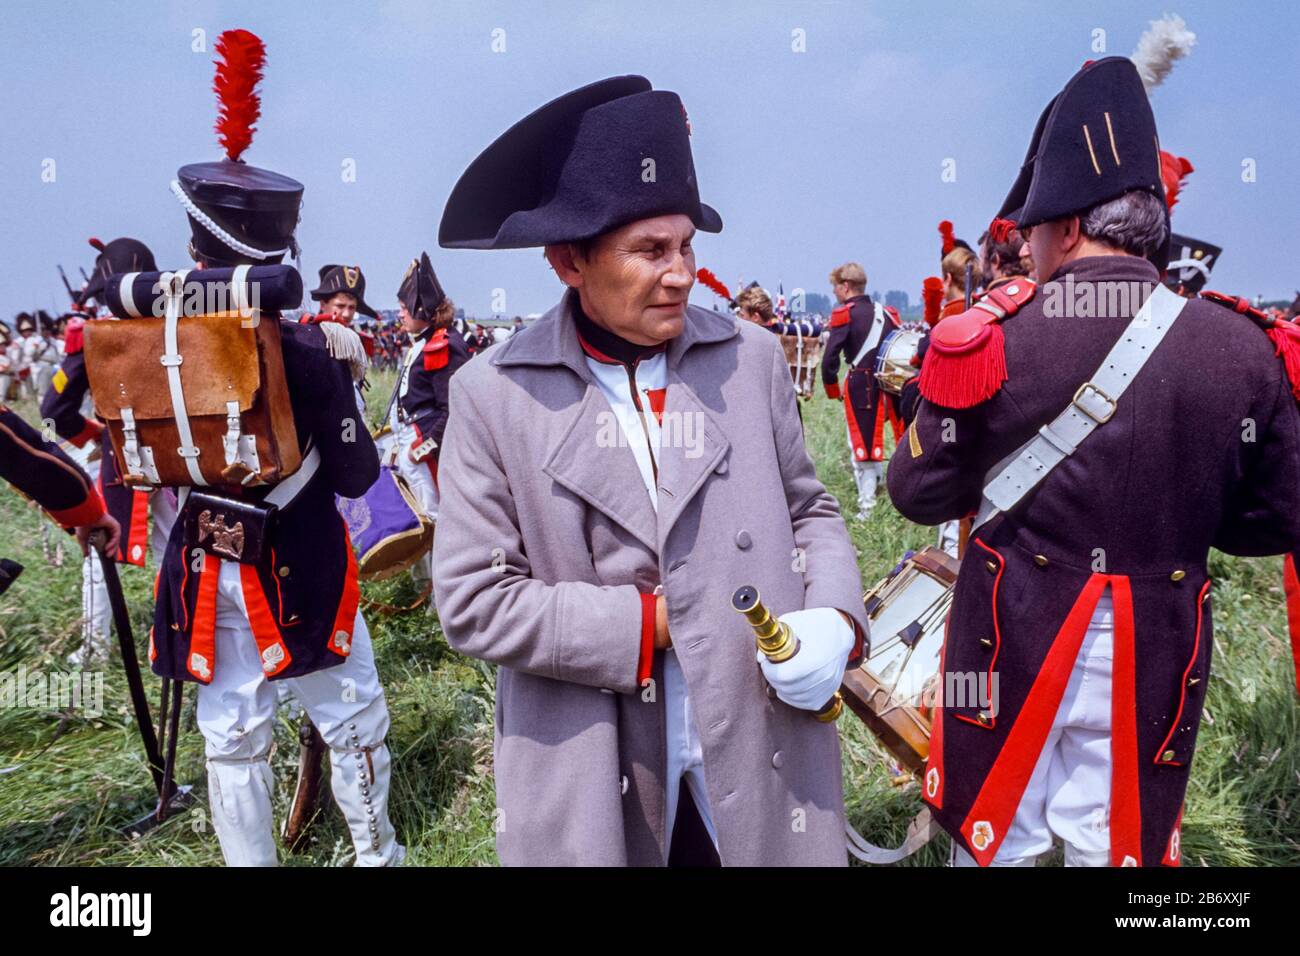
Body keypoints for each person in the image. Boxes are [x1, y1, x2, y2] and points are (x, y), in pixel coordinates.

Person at [432, 75, 868, 866]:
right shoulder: (493, 393)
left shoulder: (753, 358)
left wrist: (835, 620)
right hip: (594, 766)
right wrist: (660, 624)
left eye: (687, 246)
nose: (682, 273)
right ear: (569, 261)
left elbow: (812, 511)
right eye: (650, 251)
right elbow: (473, 601)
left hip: (755, 742)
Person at [888, 56, 1300, 867]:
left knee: (996, 847)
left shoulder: (995, 339)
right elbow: (1280, 515)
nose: (1028, 247)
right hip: (1160, 650)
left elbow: (916, 488)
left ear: (1067, 226)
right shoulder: (1245, 348)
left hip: (1006, 645)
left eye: (1034, 229)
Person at [140, 29, 402, 866]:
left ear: (193, 247)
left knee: (232, 740)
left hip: (198, 560)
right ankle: (377, 858)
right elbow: (359, 472)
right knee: (353, 713)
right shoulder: (309, 352)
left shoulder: (144, 345)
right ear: (281, 247)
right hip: (300, 555)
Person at [40, 236, 178, 667]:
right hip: (182, 456)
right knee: (179, 547)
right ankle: (181, 634)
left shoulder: (92, 337)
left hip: (123, 455)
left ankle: (95, 650)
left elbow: (53, 410)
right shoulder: (178, 326)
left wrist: (93, 434)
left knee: (98, 551)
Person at [388, 252, 470, 543]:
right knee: (416, 518)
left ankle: (442, 587)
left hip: (425, 442)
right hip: (410, 437)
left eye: (403, 308)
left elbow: (453, 408)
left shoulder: (444, 345)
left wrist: (425, 448)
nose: (400, 314)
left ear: (420, 309)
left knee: (436, 521)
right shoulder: (420, 343)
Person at [820, 261, 901, 519]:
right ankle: (878, 489)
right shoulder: (888, 313)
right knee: (874, 441)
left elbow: (830, 357)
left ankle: (867, 506)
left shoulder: (845, 314)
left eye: (835, 288)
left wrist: (832, 387)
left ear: (845, 287)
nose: (834, 293)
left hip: (860, 385)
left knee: (861, 445)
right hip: (889, 386)